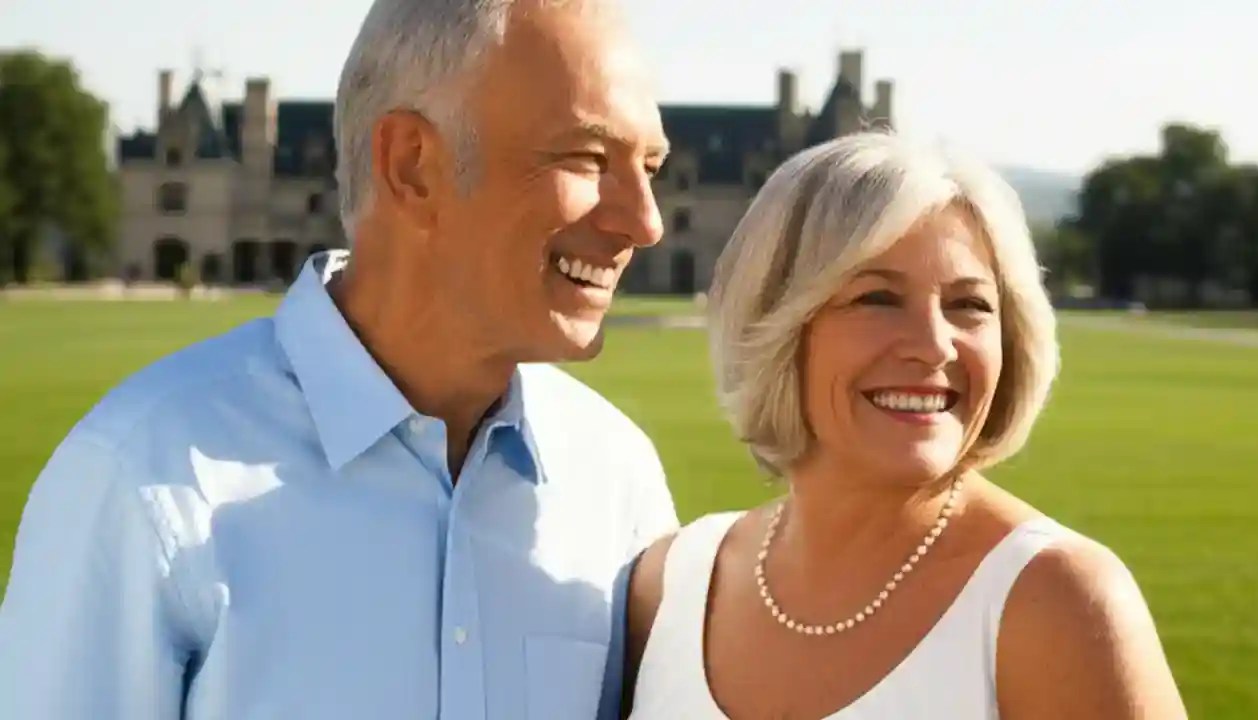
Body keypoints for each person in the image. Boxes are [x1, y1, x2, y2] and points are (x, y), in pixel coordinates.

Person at [0, 0, 677, 718]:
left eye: (652, 168)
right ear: (414, 166)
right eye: (586, 158)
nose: (646, 221)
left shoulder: (617, 483)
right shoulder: (147, 479)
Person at [625, 131, 1188, 719]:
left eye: (968, 305)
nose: (933, 346)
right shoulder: (671, 583)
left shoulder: (1058, 603)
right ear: (774, 323)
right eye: (877, 299)